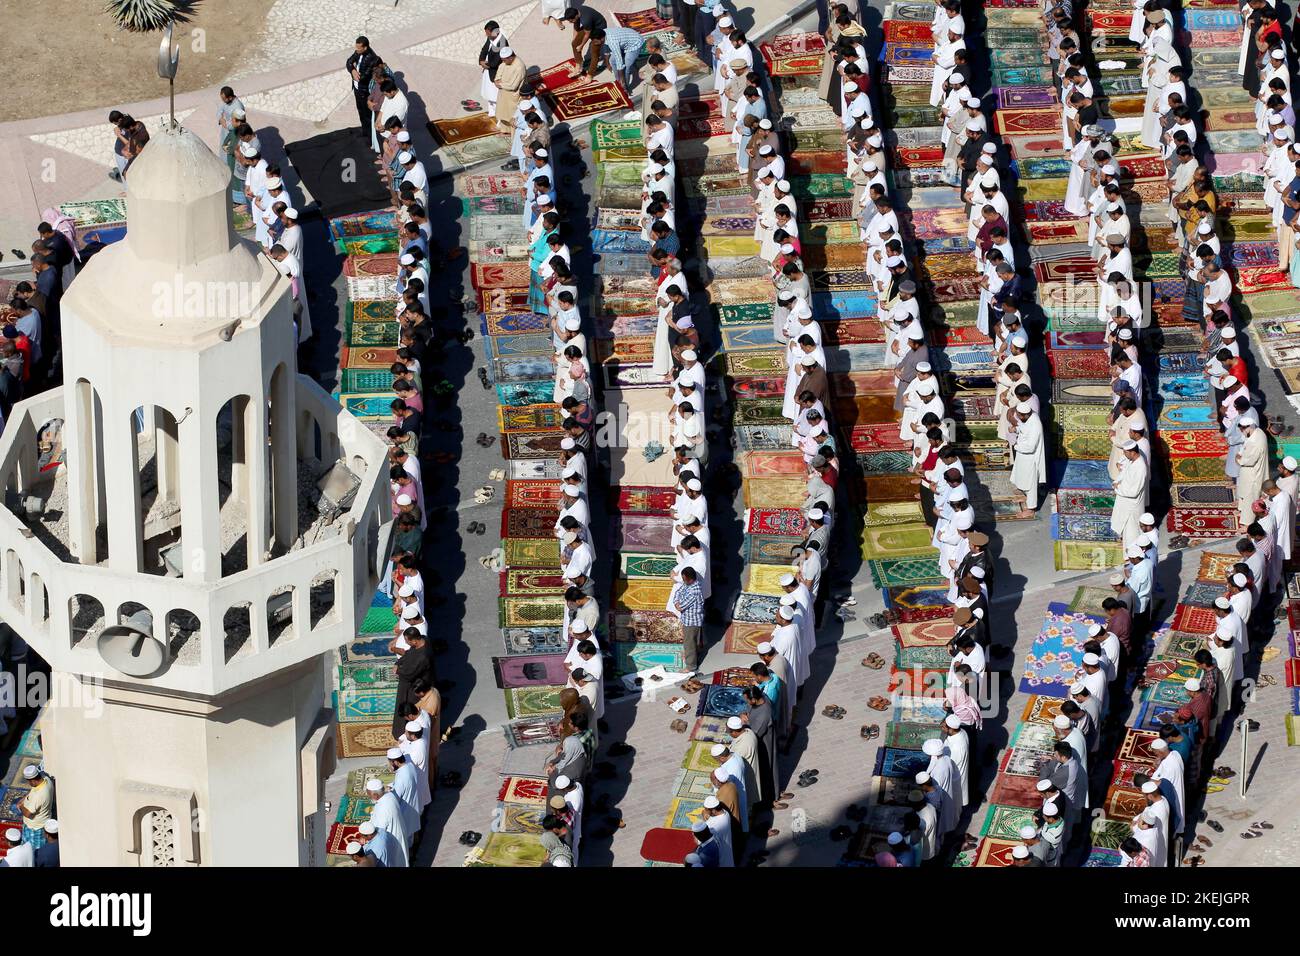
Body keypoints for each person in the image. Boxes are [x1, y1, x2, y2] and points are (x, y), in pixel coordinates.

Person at [346, 37, 382, 136]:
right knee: (360, 111)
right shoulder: (358, 52)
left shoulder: (372, 59)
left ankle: (371, 137)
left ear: (365, 48)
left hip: (365, 92)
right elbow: (349, 62)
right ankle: (365, 132)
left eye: (358, 47)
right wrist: (352, 70)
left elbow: (365, 77)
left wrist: (357, 76)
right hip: (357, 89)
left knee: (367, 115)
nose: (356, 49)